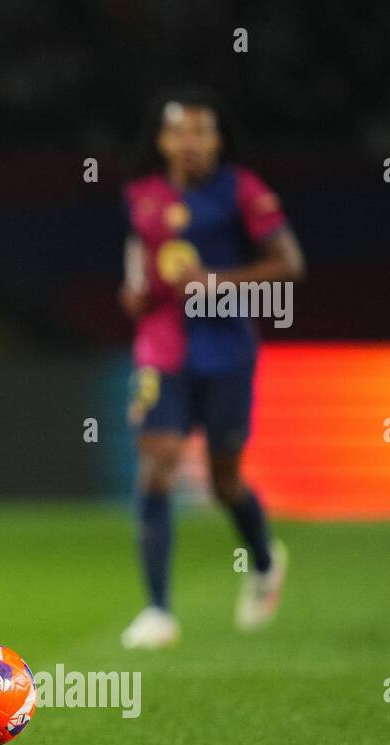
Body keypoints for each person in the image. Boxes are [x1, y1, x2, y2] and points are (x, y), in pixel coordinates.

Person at [117, 89, 304, 649]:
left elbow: (289, 265)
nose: (190, 143)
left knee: (225, 481)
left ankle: (266, 560)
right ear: (162, 140)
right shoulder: (143, 196)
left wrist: (219, 284)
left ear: (218, 139)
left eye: (201, 131)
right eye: (179, 132)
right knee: (157, 467)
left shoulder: (244, 191)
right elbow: (137, 256)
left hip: (226, 349)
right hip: (162, 348)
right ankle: (157, 611)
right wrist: (131, 291)